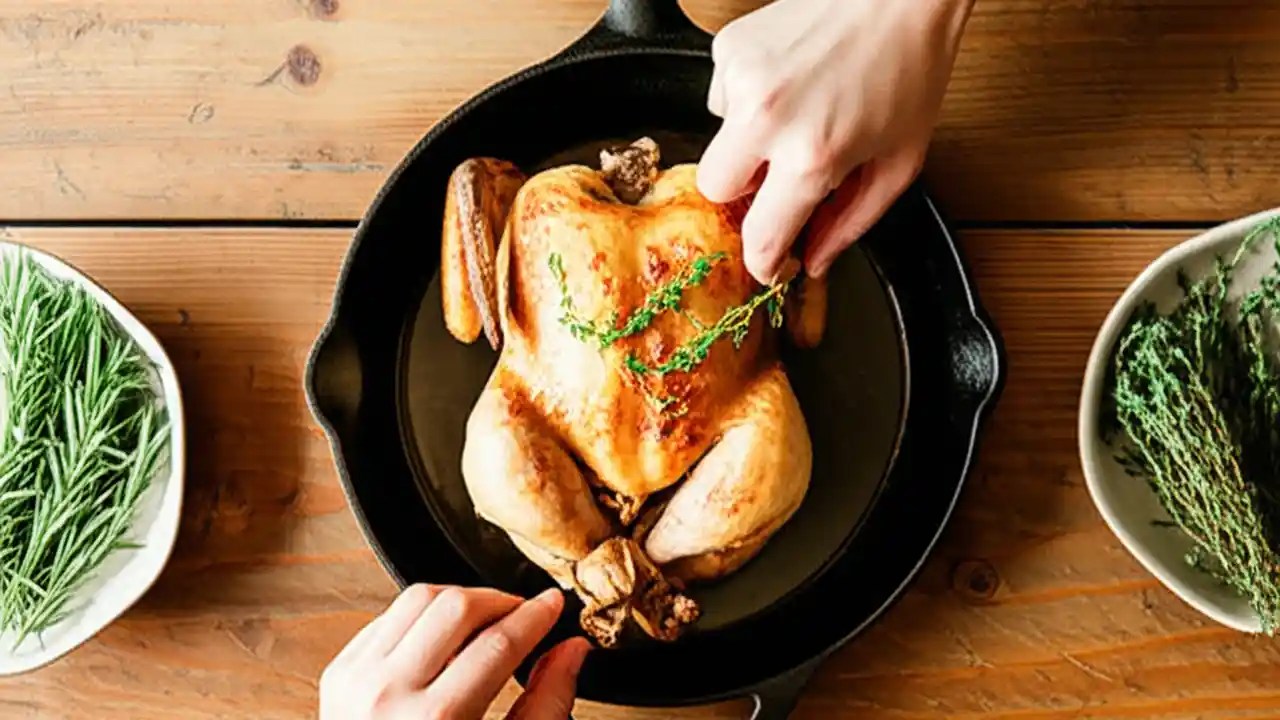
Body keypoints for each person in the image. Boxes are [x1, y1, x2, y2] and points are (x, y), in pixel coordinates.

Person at [319, 0, 974, 717]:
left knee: (736, 439)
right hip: (556, 412)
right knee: (507, 448)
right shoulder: (558, 199)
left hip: (707, 421)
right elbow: (469, 289)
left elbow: (467, 321)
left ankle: (617, 569)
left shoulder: (579, 196)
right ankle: (627, 570)